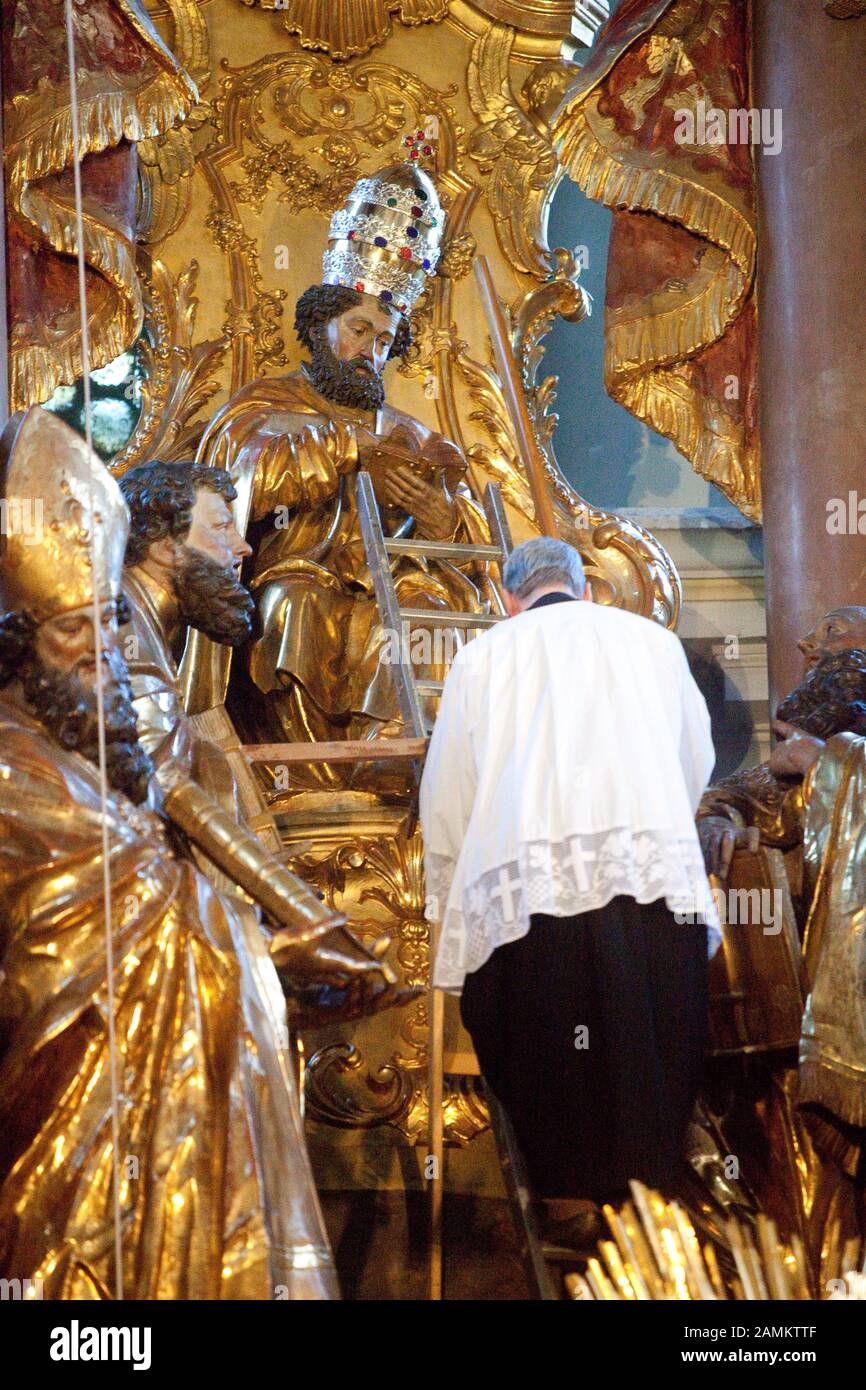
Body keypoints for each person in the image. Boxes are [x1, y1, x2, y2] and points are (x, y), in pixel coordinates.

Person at [419, 536, 720, 1244]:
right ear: (586, 590)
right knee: (652, 1032)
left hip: (526, 890)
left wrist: (448, 892)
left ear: (506, 599)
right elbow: (694, 755)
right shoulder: (651, 641)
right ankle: (649, 1202)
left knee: (544, 1041)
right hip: (650, 879)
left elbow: (450, 788)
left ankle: (566, 1205)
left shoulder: (481, 656)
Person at [187, 162, 495, 770]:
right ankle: (308, 766)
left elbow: (478, 559)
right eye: (359, 330)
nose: (370, 353)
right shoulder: (265, 405)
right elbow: (241, 480)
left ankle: (393, 758)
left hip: (391, 589)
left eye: (384, 341)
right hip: (294, 578)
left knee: (425, 613)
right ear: (320, 324)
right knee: (292, 608)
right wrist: (348, 453)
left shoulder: (413, 437)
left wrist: (442, 523)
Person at [118, 458, 412, 1024]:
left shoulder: (144, 629)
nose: (244, 548)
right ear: (161, 545)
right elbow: (171, 786)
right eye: (221, 527)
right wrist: (310, 922)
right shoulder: (126, 628)